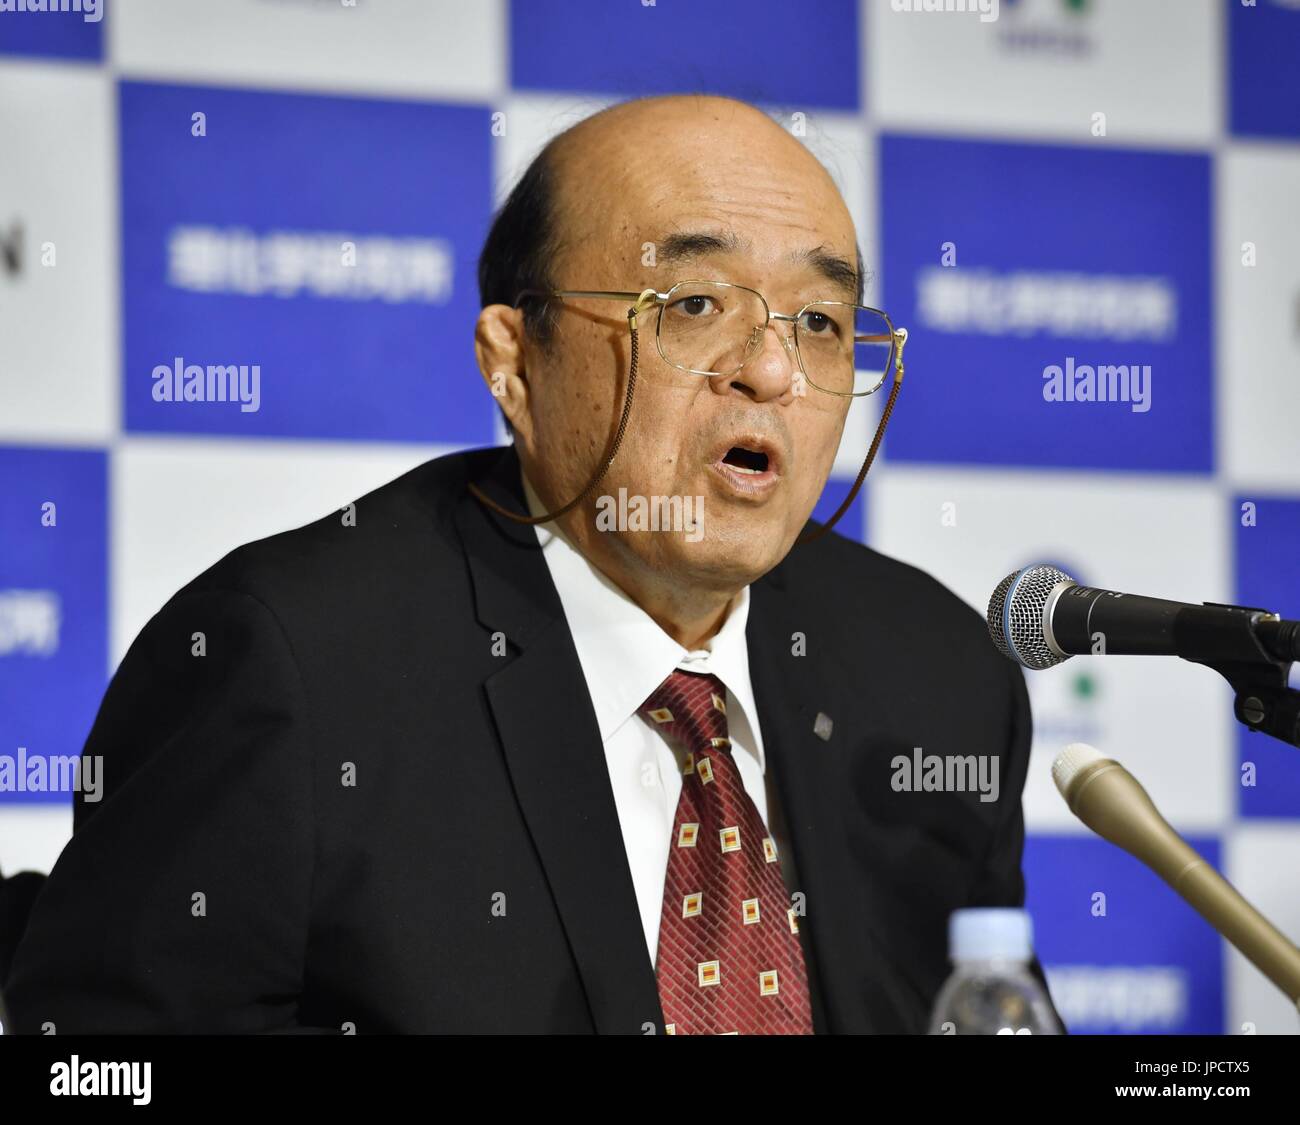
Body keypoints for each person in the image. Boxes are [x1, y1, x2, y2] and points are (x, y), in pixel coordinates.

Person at [5, 94, 1059, 1034]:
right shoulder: (291, 665)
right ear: (515, 361)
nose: (773, 370)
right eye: (692, 304)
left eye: (821, 322)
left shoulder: (934, 676)